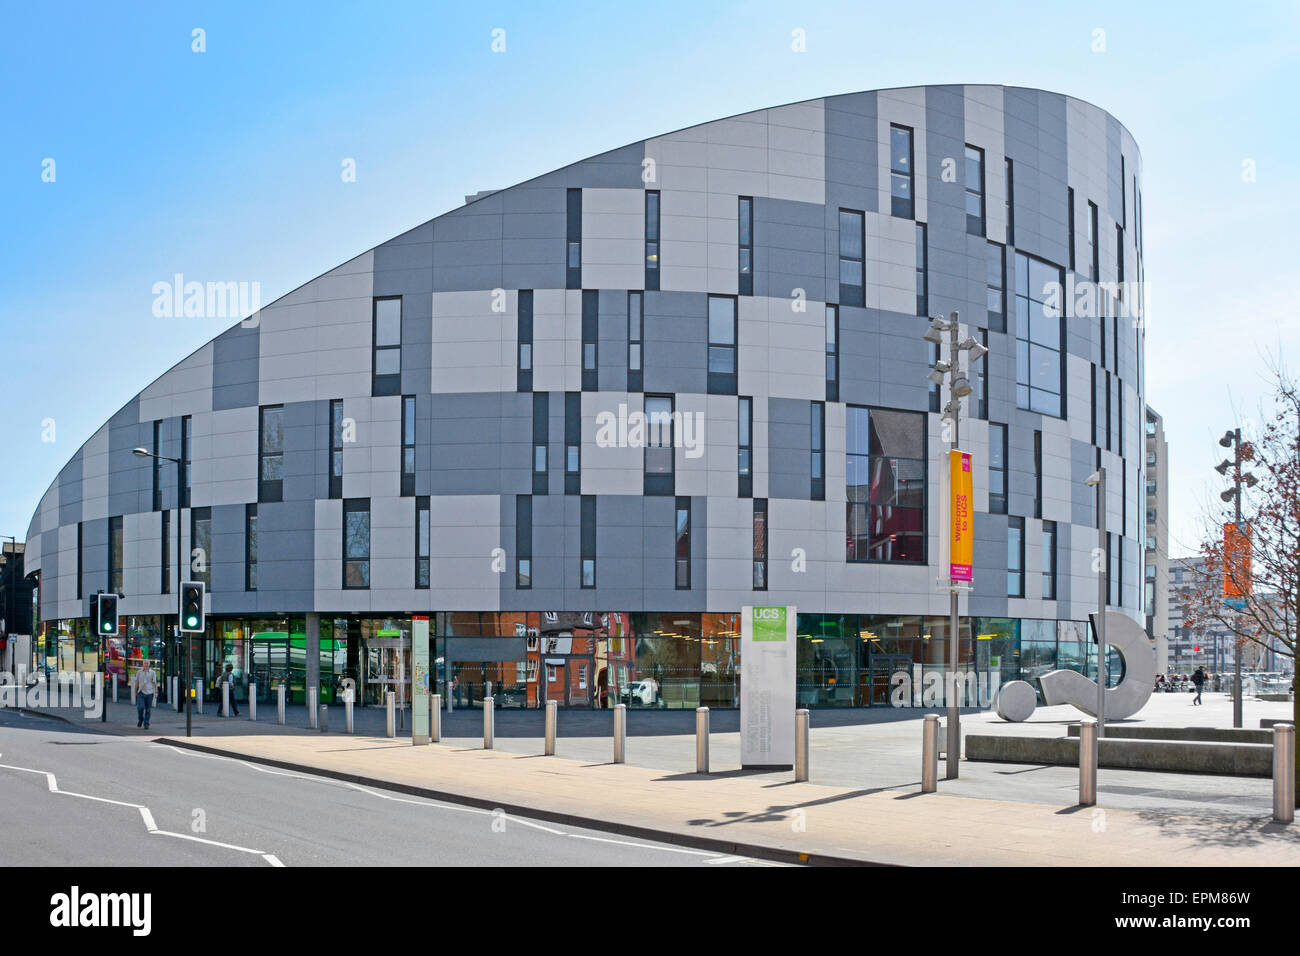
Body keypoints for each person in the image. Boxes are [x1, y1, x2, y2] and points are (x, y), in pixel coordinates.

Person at [132, 659, 158, 729]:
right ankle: (140, 719)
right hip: (141, 692)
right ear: (143, 664)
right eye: (144, 663)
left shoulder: (153, 672)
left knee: (148, 709)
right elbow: (137, 682)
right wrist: (135, 691)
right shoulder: (139, 672)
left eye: (147, 663)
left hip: (150, 692)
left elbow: (155, 683)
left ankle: (146, 723)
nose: (146, 665)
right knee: (140, 707)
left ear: (149, 664)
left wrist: (156, 692)